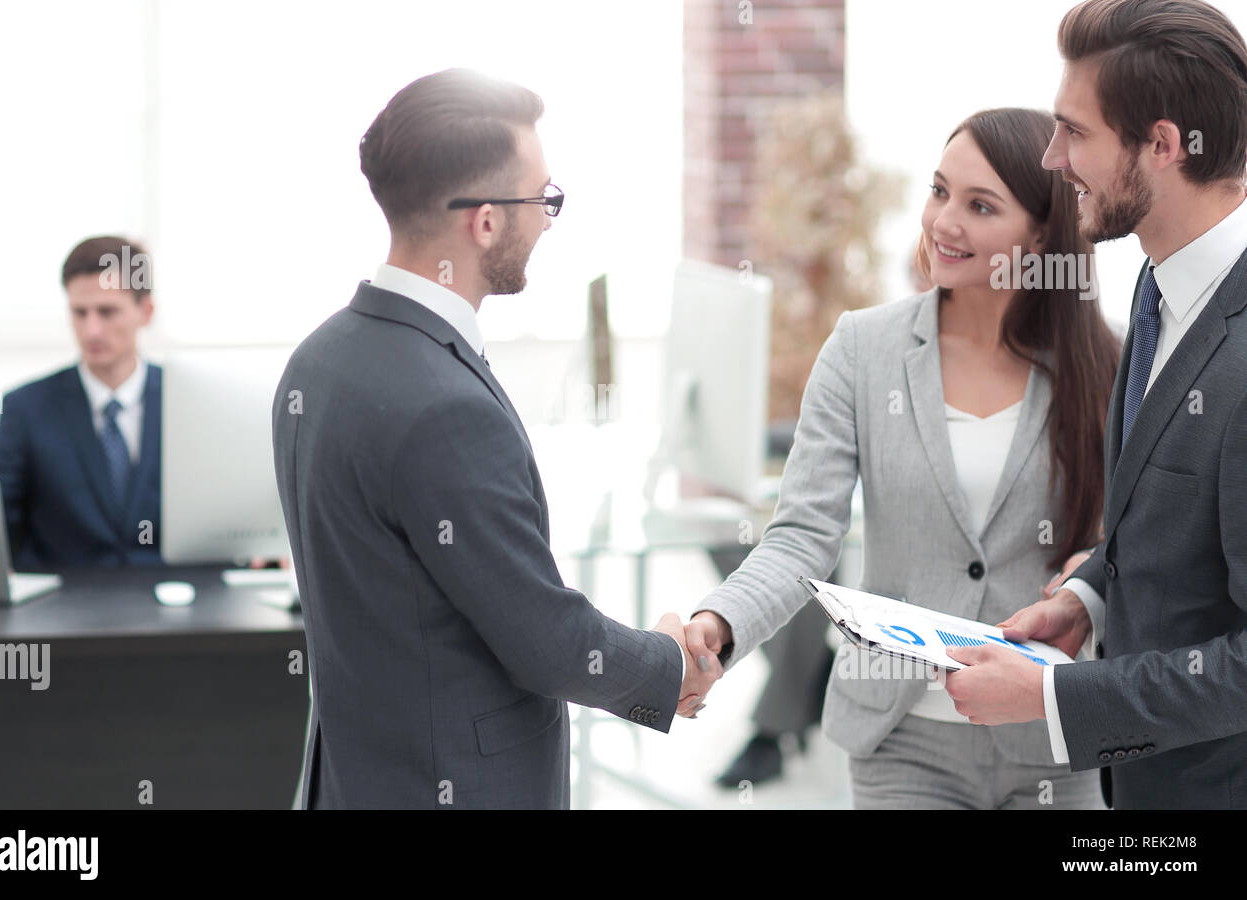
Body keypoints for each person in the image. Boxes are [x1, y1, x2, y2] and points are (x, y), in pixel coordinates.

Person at [270, 69, 719, 810]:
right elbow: (544, 639)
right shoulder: (443, 406)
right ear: (484, 222)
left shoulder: (317, 361)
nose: (547, 220)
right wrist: (668, 667)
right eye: (545, 200)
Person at [686, 106, 1120, 808]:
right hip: (902, 743)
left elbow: (1126, 549)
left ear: (1042, 237)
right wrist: (719, 624)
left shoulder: (1111, 364)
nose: (944, 221)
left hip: (1053, 740)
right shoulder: (864, 350)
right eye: (939, 190)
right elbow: (802, 537)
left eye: (980, 205)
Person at [943, 0, 1247, 810]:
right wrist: (1090, 595)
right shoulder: (1159, 276)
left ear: (1162, 146)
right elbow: (1175, 533)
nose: (1052, 157)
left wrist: (1050, 699)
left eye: (1074, 132)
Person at [0, 236, 163, 568]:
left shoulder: (187, 404)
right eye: (80, 313)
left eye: (107, 312)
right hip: (59, 610)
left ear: (145, 311)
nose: (91, 330)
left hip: (178, 604)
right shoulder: (25, 409)